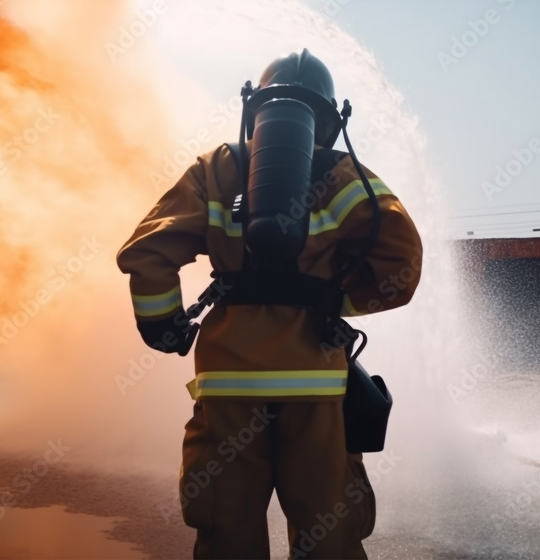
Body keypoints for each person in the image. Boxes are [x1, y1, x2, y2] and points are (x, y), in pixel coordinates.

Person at [117, 49, 422, 559]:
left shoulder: (215, 170)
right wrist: (334, 300)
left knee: (226, 527)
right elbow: (403, 266)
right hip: (317, 390)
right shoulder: (347, 175)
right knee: (329, 531)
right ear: (330, 120)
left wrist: (164, 325)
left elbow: (148, 250)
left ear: (253, 109)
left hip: (228, 388)